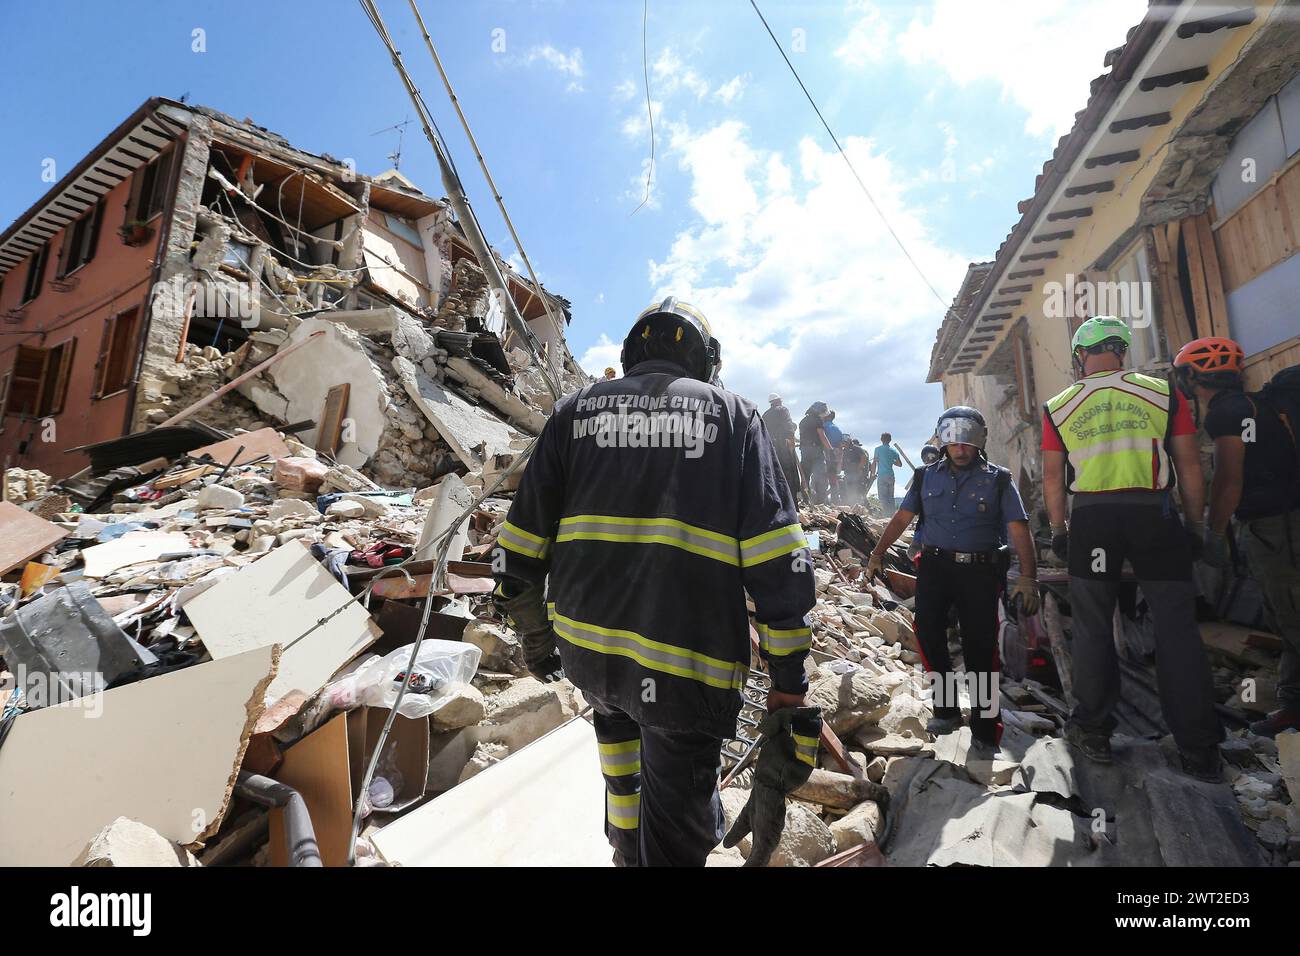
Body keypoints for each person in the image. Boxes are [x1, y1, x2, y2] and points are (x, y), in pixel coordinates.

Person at [492, 296, 820, 866]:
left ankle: (624, 850)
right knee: (677, 830)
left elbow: (518, 546)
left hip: (591, 657)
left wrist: (536, 638)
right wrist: (788, 683)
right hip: (683, 672)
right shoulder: (735, 418)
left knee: (621, 765)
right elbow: (779, 560)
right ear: (706, 359)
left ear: (631, 350)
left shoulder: (574, 413)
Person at [1041, 315, 1223, 781]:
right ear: (1122, 351)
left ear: (1081, 357)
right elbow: (1189, 466)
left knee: (1094, 625)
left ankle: (1095, 731)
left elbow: (1052, 477)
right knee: (1177, 628)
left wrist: (1060, 531)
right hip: (1153, 514)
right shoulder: (1163, 392)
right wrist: (1197, 528)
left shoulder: (1059, 404)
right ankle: (1199, 750)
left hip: (1094, 519)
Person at [865, 407, 1038, 751]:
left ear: (979, 442)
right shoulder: (926, 476)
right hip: (935, 567)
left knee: (980, 648)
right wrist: (877, 552)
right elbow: (902, 517)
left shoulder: (999, 479)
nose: (960, 449)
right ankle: (945, 710)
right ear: (943, 441)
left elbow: (1019, 529)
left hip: (980, 571)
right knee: (928, 632)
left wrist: (1029, 578)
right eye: (953, 442)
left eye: (967, 442)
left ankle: (987, 725)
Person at [1174, 336, 1300, 738]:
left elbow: (1229, 478)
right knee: (1284, 613)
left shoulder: (1227, 412)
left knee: (1291, 612)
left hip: (1277, 528)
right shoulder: (1254, 406)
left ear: (1192, 376)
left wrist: (1211, 533)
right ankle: (1293, 705)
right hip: (1280, 522)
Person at [763, 393, 803, 507]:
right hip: (783, 446)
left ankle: (777, 501)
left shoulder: (765, 414)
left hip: (771, 448)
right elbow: (788, 426)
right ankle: (792, 503)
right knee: (789, 473)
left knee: (775, 473)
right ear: (779, 401)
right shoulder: (783, 410)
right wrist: (791, 441)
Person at [799, 402, 834, 506]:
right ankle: (820, 501)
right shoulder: (817, 420)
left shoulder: (803, 421)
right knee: (820, 475)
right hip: (816, 450)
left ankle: (806, 499)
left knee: (806, 475)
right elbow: (821, 435)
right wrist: (830, 449)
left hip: (804, 451)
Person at [872, 433, 903, 514]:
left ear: (881, 439)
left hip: (882, 475)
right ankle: (892, 516)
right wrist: (891, 461)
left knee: (883, 497)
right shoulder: (893, 451)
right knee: (890, 497)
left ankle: (886, 515)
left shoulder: (878, 449)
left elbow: (874, 462)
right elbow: (900, 464)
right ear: (890, 440)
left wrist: (872, 473)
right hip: (890, 475)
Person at [840, 437, 870, 507]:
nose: (844, 444)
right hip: (848, 473)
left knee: (858, 490)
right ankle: (852, 505)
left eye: (845, 442)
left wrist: (859, 468)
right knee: (850, 491)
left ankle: (861, 506)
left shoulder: (857, 449)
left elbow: (864, 457)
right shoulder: (845, 450)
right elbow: (843, 461)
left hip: (857, 474)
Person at [823, 411, 844, 503]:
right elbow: (841, 446)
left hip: (825, 454)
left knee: (822, 478)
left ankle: (821, 500)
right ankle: (835, 500)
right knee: (833, 479)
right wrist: (839, 461)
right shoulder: (837, 429)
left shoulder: (823, 427)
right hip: (835, 456)